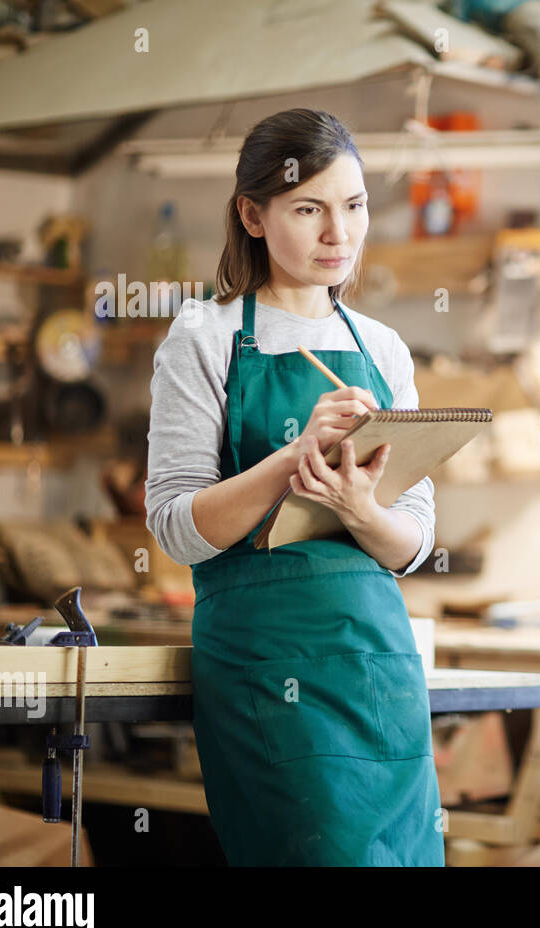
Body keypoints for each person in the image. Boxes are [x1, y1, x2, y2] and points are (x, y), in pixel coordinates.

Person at [145, 108, 443, 865]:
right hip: (265, 670)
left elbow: (413, 543)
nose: (337, 234)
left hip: (378, 665)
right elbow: (176, 525)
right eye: (308, 210)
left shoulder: (383, 348)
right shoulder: (204, 337)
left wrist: (361, 510)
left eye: (354, 206)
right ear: (253, 214)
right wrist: (292, 460)